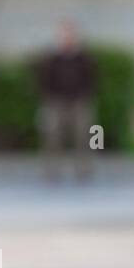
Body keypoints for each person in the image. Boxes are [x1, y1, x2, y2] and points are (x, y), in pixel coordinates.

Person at [36, 21, 98, 181]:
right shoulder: (51, 58)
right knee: (52, 135)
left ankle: (84, 168)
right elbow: (44, 80)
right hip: (56, 102)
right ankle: (52, 170)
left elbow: (92, 79)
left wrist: (85, 97)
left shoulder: (84, 57)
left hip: (79, 102)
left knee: (88, 134)